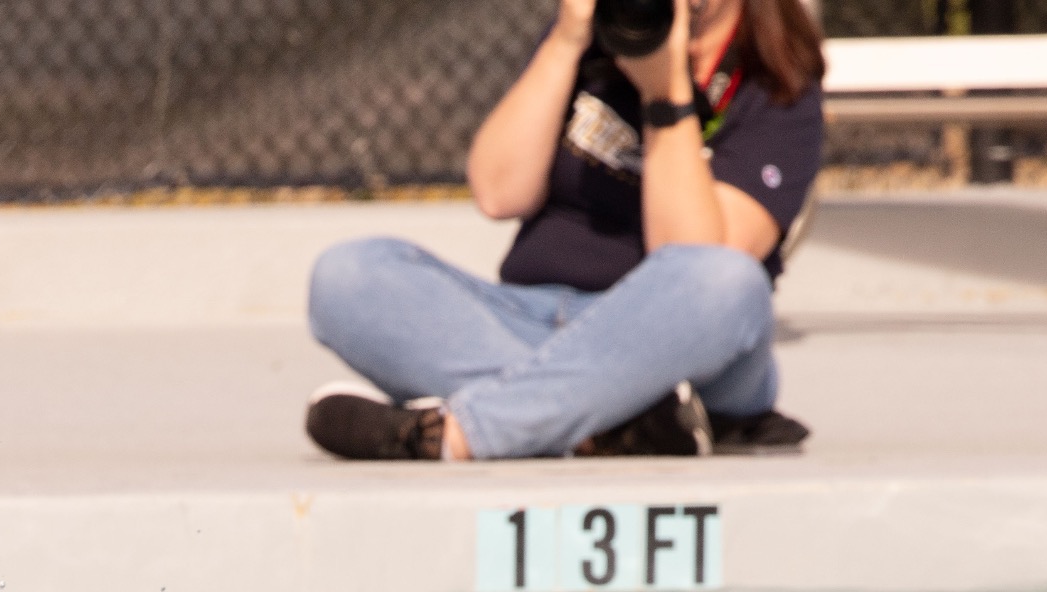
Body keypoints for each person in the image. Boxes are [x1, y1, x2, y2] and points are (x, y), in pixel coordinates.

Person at [304, 0, 825, 461]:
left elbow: (691, 256)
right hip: (533, 321)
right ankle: (616, 424)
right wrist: (565, 39)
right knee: (348, 276)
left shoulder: (778, 82)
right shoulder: (601, 36)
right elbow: (498, 192)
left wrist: (664, 97)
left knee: (729, 280)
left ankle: (463, 434)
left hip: (681, 351)